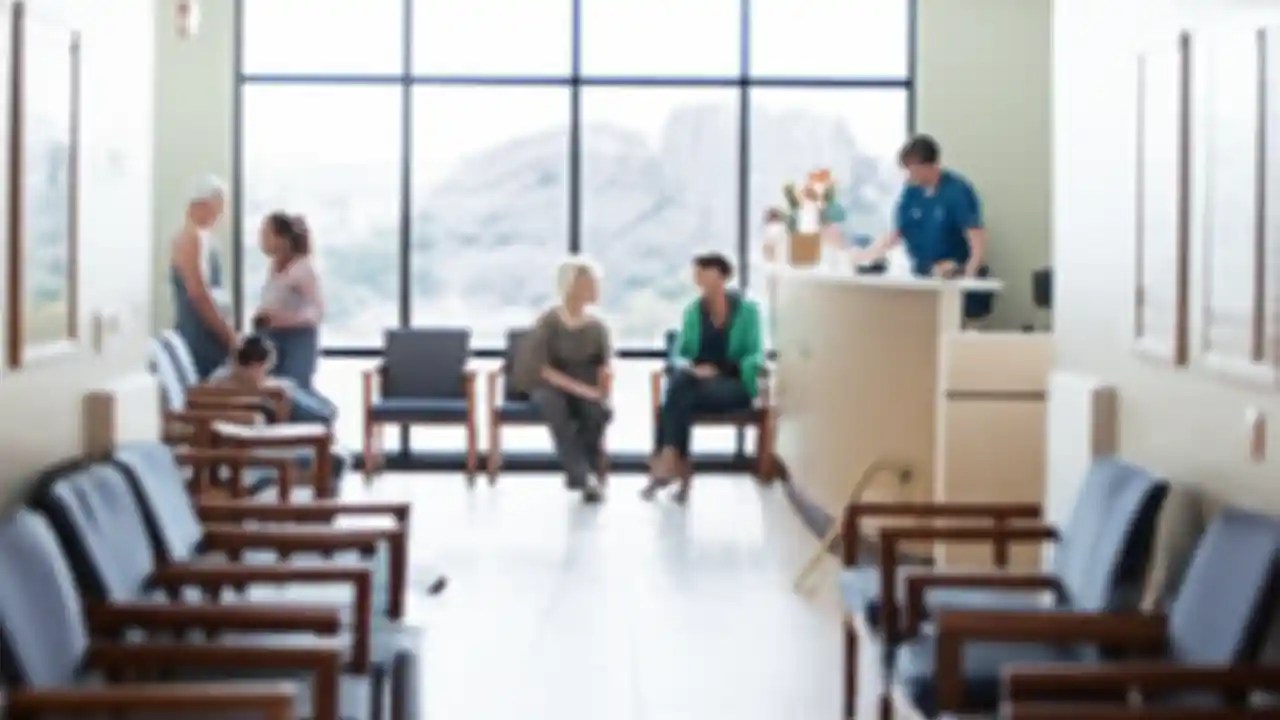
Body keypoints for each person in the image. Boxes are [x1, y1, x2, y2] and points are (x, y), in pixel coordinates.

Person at [644, 252, 764, 504]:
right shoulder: (693, 311)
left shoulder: (748, 311)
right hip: (697, 384)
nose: (697, 279)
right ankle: (672, 462)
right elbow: (681, 353)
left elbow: (754, 353)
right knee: (681, 389)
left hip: (734, 384)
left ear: (720, 275)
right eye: (695, 274)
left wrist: (718, 370)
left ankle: (667, 465)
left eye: (702, 272)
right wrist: (693, 370)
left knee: (675, 399)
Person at [513, 257, 613, 503]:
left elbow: (604, 366)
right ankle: (582, 477)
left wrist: (601, 393)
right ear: (572, 286)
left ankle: (588, 471)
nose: (594, 289)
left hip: (584, 383)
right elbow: (542, 368)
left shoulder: (598, 327)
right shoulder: (550, 321)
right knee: (555, 408)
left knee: (596, 412)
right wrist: (581, 390)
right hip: (548, 382)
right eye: (588, 283)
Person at [856, 135, 989, 279]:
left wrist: (968, 273)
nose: (909, 176)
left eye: (913, 170)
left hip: (954, 274)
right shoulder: (911, 192)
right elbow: (897, 232)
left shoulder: (957, 191)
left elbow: (977, 239)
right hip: (924, 274)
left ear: (931, 165)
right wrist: (868, 255)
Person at [170, 175, 234, 379]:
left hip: (207, 331)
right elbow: (199, 294)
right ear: (206, 204)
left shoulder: (203, 237)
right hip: (200, 334)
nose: (222, 213)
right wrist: (229, 336)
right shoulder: (192, 238)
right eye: (220, 206)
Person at [253, 211, 324, 390]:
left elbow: (316, 311)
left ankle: (324, 413)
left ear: (281, 238)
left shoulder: (302, 269)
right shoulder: (274, 268)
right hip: (273, 341)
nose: (261, 240)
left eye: (266, 234)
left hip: (296, 342)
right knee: (274, 395)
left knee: (294, 392)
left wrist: (283, 319)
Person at [209, 333, 337, 426]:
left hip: (279, 397)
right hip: (282, 403)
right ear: (258, 364)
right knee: (326, 414)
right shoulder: (235, 380)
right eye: (266, 367)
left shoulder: (223, 374)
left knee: (326, 408)